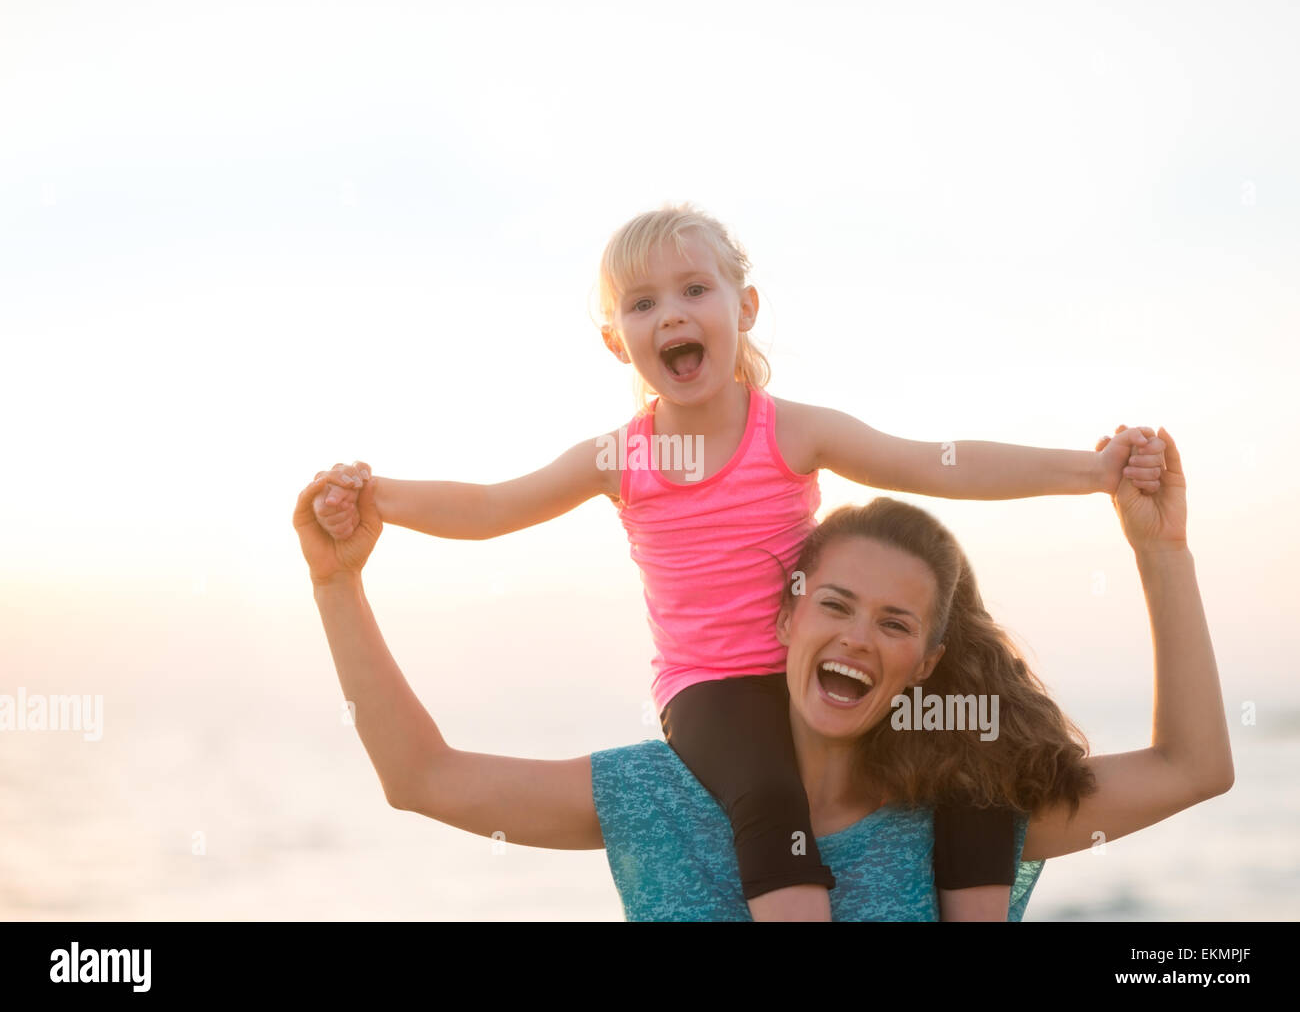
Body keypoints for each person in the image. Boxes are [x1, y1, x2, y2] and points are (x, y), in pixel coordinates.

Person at [307, 203, 1168, 920]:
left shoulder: (789, 430)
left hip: (816, 664)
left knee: (974, 738)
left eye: (694, 288)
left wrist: (1088, 473)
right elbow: (494, 506)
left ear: (744, 306)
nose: (672, 313)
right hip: (712, 688)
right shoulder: (621, 458)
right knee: (766, 796)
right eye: (641, 304)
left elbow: (937, 459)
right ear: (618, 342)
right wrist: (378, 495)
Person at [295, 426, 1232, 921]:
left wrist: (1163, 549)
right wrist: (338, 583)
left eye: (894, 621)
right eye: (834, 604)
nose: (857, 638)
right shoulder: (660, 797)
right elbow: (422, 778)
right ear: (786, 615)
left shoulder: (964, 811)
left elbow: (1196, 765)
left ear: (926, 663)